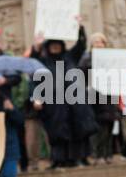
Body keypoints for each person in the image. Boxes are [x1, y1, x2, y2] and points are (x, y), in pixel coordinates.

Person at [31, 22, 97, 168]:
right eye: (52, 45)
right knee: (57, 132)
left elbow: (81, 45)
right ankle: (59, 160)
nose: (55, 47)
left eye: (57, 44)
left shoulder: (70, 57)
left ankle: (80, 158)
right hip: (54, 104)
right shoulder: (43, 62)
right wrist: (37, 46)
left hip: (75, 102)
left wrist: (80, 28)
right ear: (48, 47)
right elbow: (33, 64)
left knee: (79, 130)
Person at [80, 32, 122, 163]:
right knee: (98, 126)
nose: (99, 44)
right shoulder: (87, 58)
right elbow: (81, 74)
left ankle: (107, 153)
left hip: (109, 94)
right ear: (92, 45)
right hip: (94, 95)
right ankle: (97, 155)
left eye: (101, 42)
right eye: (96, 42)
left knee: (110, 124)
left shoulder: (111, 58)